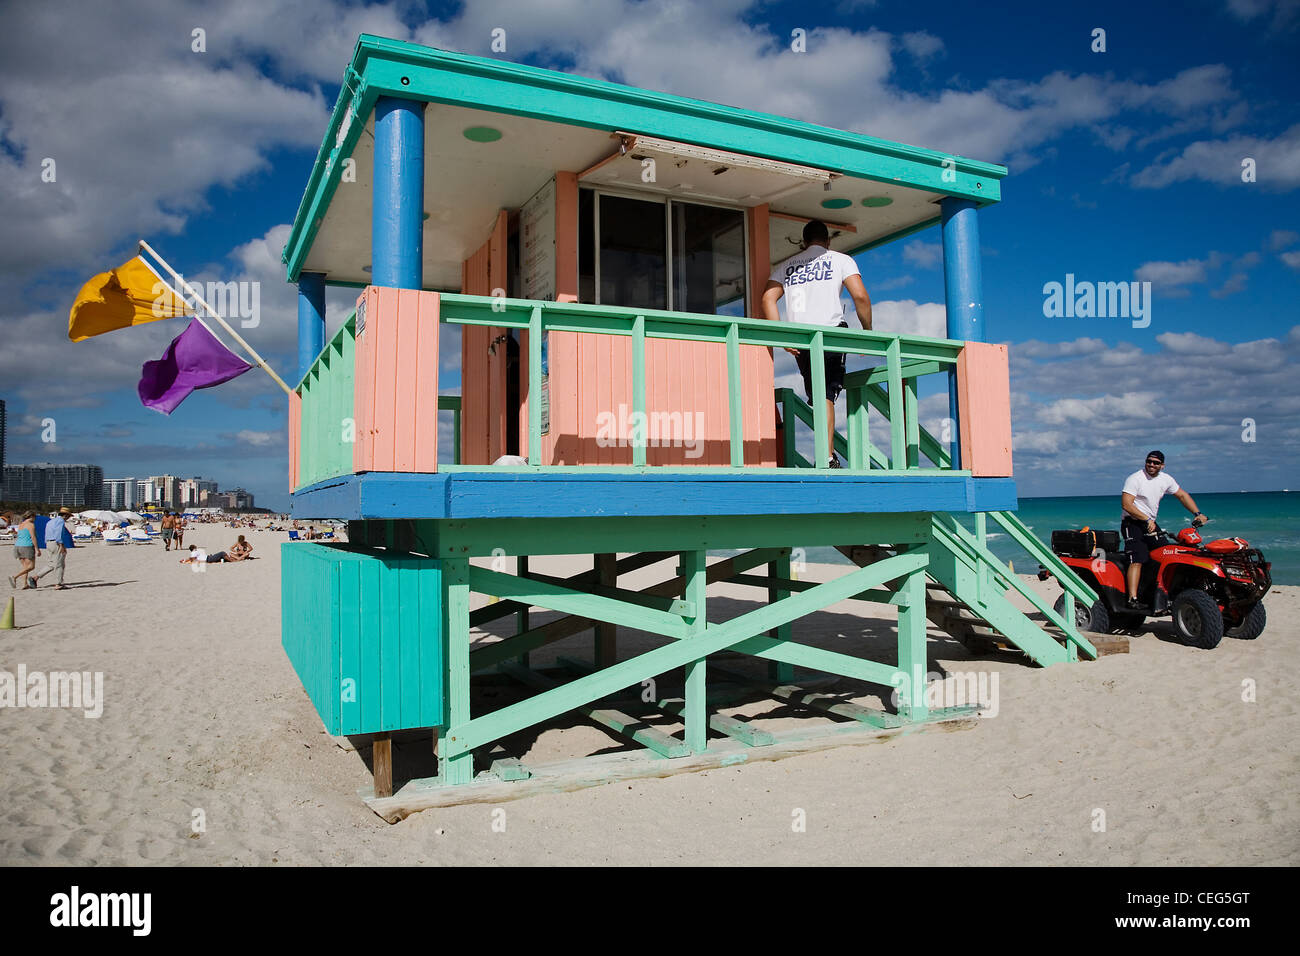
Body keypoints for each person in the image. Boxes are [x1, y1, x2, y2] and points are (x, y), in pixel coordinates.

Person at [761, 220, 873, 468]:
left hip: (800, 338)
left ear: (803, 242)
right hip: (830, 333)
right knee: (827, 395)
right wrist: (868, 332)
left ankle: (827, 454)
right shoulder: (841, 259)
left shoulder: (786, 265)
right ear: (828, 241)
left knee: (818, 393)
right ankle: (827, 457)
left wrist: (782, 335)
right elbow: (860, 296)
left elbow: (768, 298)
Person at [1120, 450, 1207, 608]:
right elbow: (1127, 504)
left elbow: (1182, 495)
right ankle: (1132, 599)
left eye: (1156, 463)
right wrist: (1146, 518)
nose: (1151, 465)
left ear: (1162, 465)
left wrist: (1198, 513)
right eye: (1149, 461)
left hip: (1149, 523)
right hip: (1132, 523)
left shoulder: (1166, 479)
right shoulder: (1135, 478)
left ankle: (1160, 590)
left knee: (1166, 553)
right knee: (1138, 557)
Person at [32, 507, 74, 590]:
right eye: (68, 516)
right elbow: (58, 534)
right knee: (59, 564)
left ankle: (35, 577)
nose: (68, 518)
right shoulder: (60, 521)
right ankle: (59, 583)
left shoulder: (51, 521)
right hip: (56, 543)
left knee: (51, 564)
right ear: (65, 515)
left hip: (49, 543)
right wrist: (61, 545)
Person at [9, 512, 41, 590]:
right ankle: (14, 577)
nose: (35, 519)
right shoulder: (30, 525)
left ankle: (25, 584)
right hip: (27, 546)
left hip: (18, 546)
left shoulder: (21, 524)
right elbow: (33, 537)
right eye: (35, 517)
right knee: (31, 566)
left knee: (25, 567)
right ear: (31, 516)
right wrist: (37, 549)